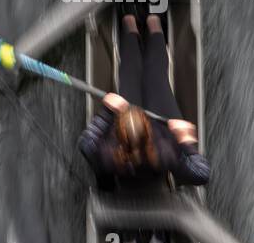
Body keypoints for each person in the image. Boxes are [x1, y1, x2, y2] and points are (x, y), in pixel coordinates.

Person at [78, 13, 209, 187]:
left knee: (129, 75)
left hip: (125, 168)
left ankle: (129, 23)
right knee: (156, 77)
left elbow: (86, 143)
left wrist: (107, 113)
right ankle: (152, 23)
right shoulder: (165, 151)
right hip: (159, 141)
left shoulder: (107, 153)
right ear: (148, 127)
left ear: (117, 131)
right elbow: (202, 174)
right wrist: (185, 140)